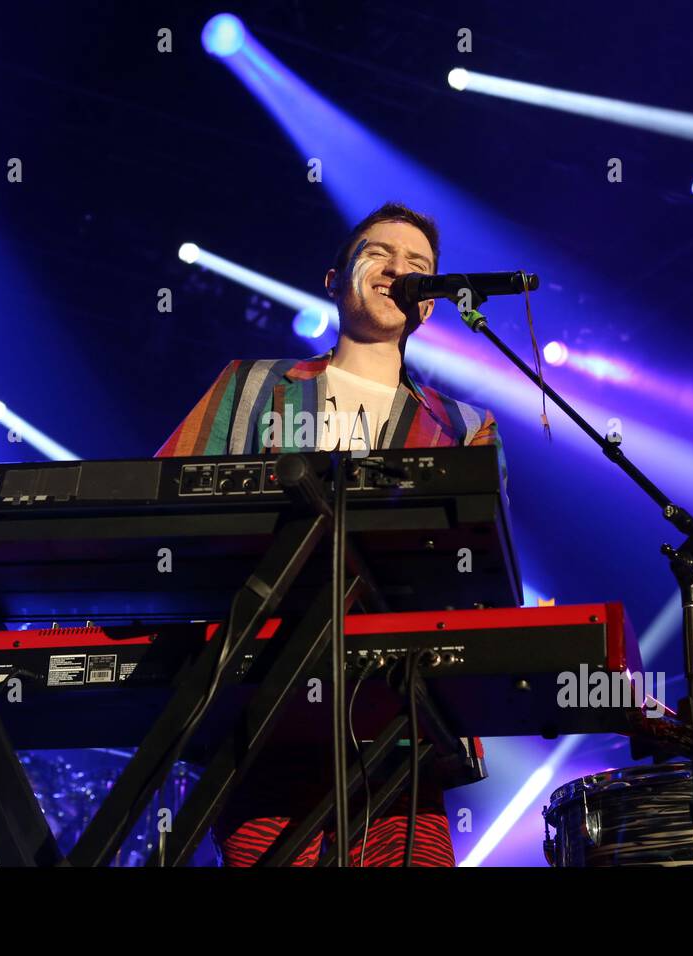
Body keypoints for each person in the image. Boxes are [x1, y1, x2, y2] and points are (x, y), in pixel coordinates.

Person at [157, 202, 501, 866]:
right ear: (333, 278)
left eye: (419, 267)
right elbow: (164, 513)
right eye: (380, 254)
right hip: (262, 711)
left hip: (403, 720)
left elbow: (482, 569)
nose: (399, 269)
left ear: (429, 304)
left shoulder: (464, 427)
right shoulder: (251, 389)